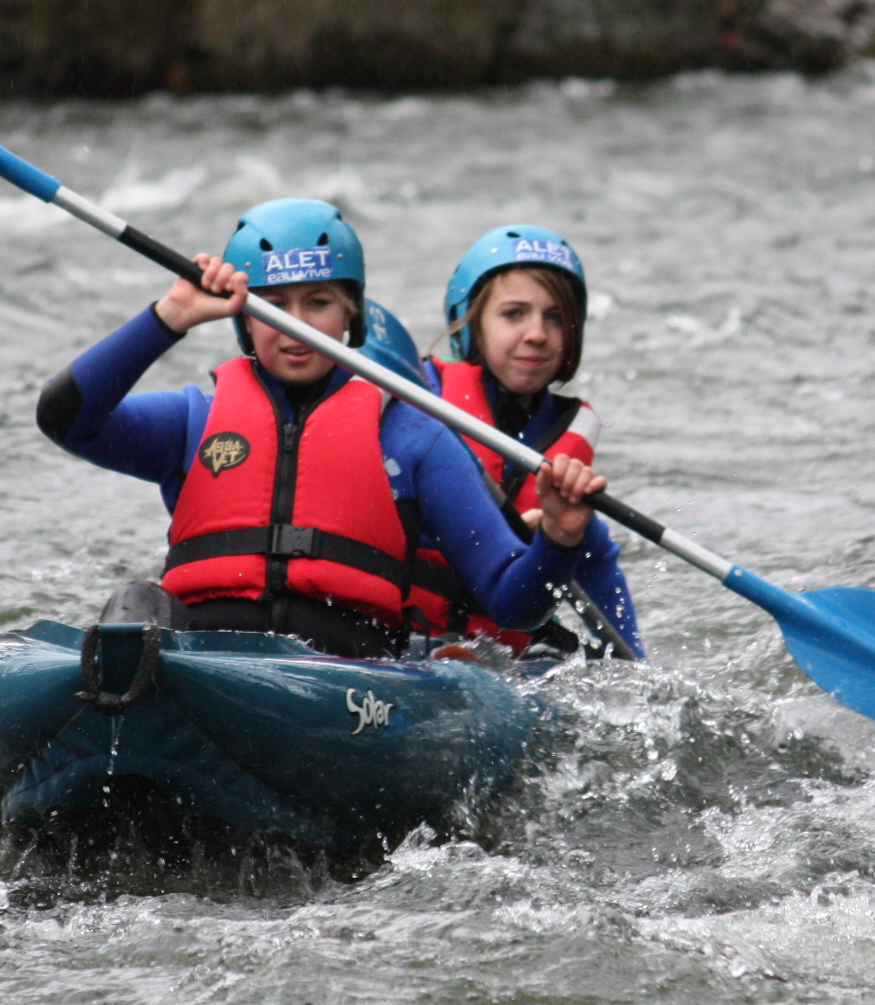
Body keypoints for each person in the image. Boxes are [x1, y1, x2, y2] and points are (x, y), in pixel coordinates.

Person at [36, 198, 610, 660]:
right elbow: (65, 419)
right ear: (241, 315)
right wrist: (171, 317)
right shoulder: (194, 418)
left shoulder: (413, 436)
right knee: (137, 604)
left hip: (346, 678)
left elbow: (512, 603)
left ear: (351, 317)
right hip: (208, 663)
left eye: (318, 303)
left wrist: (559, 539)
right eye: (274, 304)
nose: (295, 326)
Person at [411, 225, 642, 658]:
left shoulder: (567, 439)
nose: (537, 333)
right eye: (514, 314)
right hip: (407, 638)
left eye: (554, 317)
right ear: (471, 324)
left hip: (509, 658)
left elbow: (601, 579)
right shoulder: (418, 399)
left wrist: (643, 679)